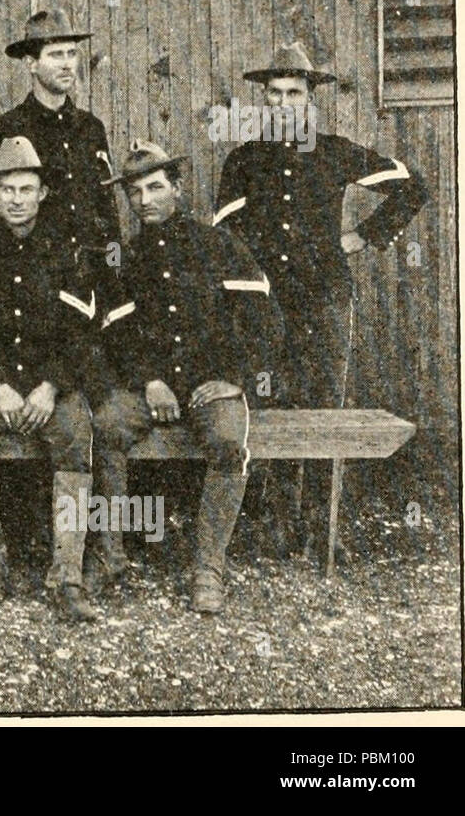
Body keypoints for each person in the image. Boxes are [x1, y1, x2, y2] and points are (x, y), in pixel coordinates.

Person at [214, 41, 428, 555]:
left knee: (324, 406)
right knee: (267, 403)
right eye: (275, 93)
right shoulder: (244, 160)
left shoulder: (335, 152)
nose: (284, 102)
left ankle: (319, 529)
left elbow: (411, 188)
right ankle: (274, 523)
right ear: (263, 100)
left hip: (325, 299)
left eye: (295, 92)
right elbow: (224, 234)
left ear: (310, 100)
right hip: (266, 306)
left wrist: (360, 237)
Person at [92, 141, 284, 613]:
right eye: (134, 192)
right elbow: (114, 330)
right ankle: (108, 556)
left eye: (155, 187)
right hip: (150, 386)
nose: (145, 200)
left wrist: (237, 378)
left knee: (226, 442)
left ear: (177, 188)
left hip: (209, 384)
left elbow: (266, 319)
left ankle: (208, 568)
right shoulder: (124, 257)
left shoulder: (217, 244)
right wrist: (148, 379)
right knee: (105, 429)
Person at [0, 136, 101, 619]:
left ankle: (67, 577)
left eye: (26, 189)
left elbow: (83, 329)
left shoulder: (66, 250)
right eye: (7, 189)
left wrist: (51, 384)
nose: (16, 199)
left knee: (76, 433)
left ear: (43, 193)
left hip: (48, 388)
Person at [0, 7, 119, 281]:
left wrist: (116, 273)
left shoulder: (91, 128)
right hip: (36, 283)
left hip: (92, 279)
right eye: (55, 55)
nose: (67, 64)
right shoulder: (4, 131)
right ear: (31, 63)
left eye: (71, 53)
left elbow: (108, 214)